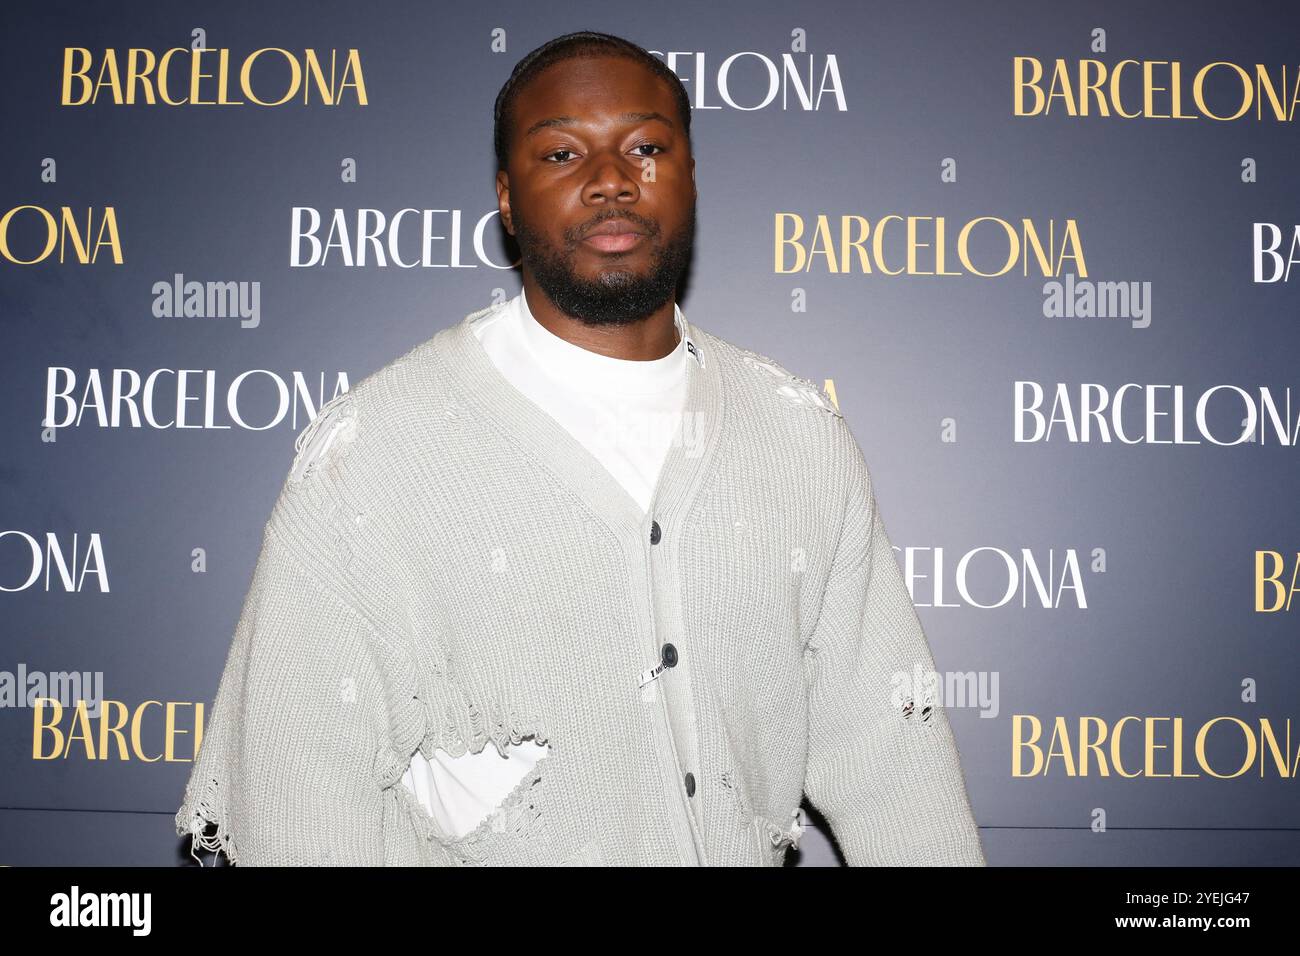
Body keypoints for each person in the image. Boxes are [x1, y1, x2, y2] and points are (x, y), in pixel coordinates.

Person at [175, 30, 986, 867]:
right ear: (506, 199)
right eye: (562, 152)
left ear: (690, 179)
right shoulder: (374, 454)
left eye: (645, 147)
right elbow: (297, 794)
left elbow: (893, 764)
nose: (610, 180)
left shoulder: (797, 434)